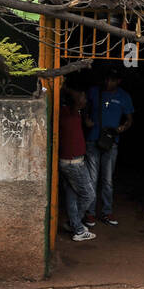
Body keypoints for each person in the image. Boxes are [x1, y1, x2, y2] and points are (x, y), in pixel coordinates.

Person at [84, 68, 134, 226]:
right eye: (106, 79)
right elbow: (82, 107)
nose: (108, 82)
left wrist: (122, 128)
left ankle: (107, 212)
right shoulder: (93, 92)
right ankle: (89, 214)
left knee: (107, 180)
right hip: (93, 140)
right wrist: (85, 119)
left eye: (112, 80)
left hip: (111, 142)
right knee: (91, 179)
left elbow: (129, 119)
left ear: (118, 81)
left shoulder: (124, 96)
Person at [58, 88, 96, 242]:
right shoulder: (69, 112)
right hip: (73, 163)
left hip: (71, 161)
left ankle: (74, 225)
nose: (85, 100)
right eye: (83, 97)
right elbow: (75, 99)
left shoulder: (69, 112)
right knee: (89, 194)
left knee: (72, 196)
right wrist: (68, 89)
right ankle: (77, 227)